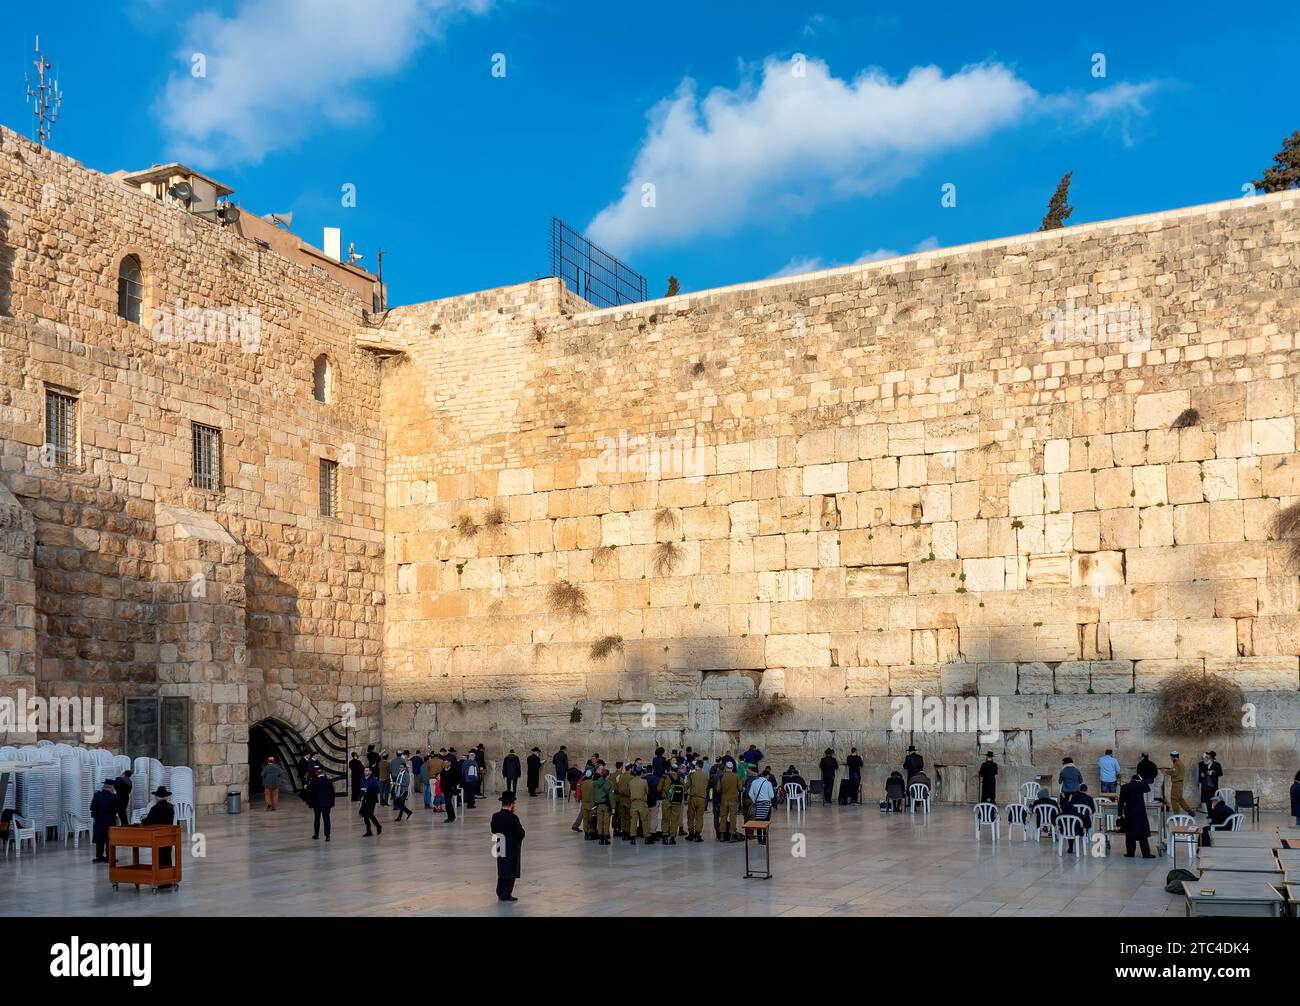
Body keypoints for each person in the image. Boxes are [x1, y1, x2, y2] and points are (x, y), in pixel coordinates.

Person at [490, 791, 526, 902]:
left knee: (501, 868)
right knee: (510, 870)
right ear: (511, 804)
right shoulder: (513, 818)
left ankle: (500, 891)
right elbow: (520, 833)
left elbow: (493, 830)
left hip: (500, 844)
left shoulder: (495, 816)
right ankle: (506, 893)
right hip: (511, 846)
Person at [1118, 774, 1155, 858]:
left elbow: (1121, 802)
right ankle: (1146, 853)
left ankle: (1130, 853)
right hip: (1140, 811)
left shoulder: (1125, 787)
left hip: (1129, 811)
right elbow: (1148, 789)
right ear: (1138, 780)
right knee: (1142, 833)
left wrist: (1119, 814)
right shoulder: (1141, 785)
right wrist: (1143, 780)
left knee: (1130, 832)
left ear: (1131, 779)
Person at [141, 786, 176, 870]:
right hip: (168, 834)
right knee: (167, 855)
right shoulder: (171, 807)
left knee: (159, 856)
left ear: (157, 797)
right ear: (167, 797)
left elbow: (148, 822)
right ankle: (167, 876)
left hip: (158, 835)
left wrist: (142, 820)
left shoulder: (155, 808)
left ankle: (159, 876)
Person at [90, 778, 119, 863]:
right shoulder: (113, 797)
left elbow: (92, 808)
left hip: (99, 820)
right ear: (112, 788)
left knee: (99, 839)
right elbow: (119, 808)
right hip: (110, 821)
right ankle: (109, 857)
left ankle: (99, 857)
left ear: (104, 786)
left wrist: (95, 816)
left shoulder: (97, 795)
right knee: (109, 839)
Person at [747, 769, 775, 845]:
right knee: (766, 823)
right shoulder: (768, 783)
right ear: (767, 776)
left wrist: (754, 801)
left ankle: (759, 841)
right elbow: (772, 796)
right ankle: (764, 841)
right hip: (766, 806)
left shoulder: (754, 782)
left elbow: (750, 793)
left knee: (759, 823)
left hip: (758, 805)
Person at [715, 760, 742, 842]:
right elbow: (740, 788)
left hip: (724, 800)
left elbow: (718, 789)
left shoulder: (722, 776)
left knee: (723, 817)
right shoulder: (736, 776)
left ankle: (722, 835)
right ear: (732, 768)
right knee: (733, 818)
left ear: (726, 768)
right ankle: (732, 835)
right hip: (733, 800)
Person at [307, 767, 335, 840]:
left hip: (316, 804)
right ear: (324, 773)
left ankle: (316, 834)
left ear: (317, 774)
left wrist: (310, 804)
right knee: (326, 819)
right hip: (326, 803)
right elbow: (332, 793)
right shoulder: (329, 781)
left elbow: (311, 794)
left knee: (317, 819)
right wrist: (332, 803)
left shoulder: (314, 781)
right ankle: (327, 835)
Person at [626, 766, 650, 844]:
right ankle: (646, 837)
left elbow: (629, 791)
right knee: (644, 820)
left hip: (633, 803)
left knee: (633, 821)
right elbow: (647, 791)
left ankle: (633, 838)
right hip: (642, 802)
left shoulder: (631, 782)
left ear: (635, 772)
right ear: (641, 773)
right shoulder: (644, 782)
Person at [685, 760, 708, 842]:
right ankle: (698, 835)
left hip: (692, 798)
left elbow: (687, 786)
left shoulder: (691, 775)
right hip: (702, 799)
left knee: (691, 816)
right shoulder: (706, 776)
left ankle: (691, 834)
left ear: (696, 766)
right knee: (699, 817)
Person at [358, 766, 382, 836]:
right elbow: (361, 790)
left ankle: (378, 826)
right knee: (365, 816)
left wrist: (368, 790)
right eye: (365, 770)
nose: (365, 772)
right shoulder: (362, 779)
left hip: (371, 799)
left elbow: (377, 789)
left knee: (370, 814)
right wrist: (359, 799)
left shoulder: (373, 780)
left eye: (367, 771)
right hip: (364, 800)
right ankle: (369, 831)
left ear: (370, 772)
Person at [438, 757, 461, 823]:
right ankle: (450, 817)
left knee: (448, 802)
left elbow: (457, 779)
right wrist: (441, 788)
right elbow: (441, 780)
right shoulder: (443, 771)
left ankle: (452, 816)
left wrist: (454, 786)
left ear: (449, 763)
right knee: (447, 803)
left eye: (446, 763)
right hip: (445, 789)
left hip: (451, 789)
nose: (445, 764)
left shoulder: (454, 770)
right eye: (444, 763)